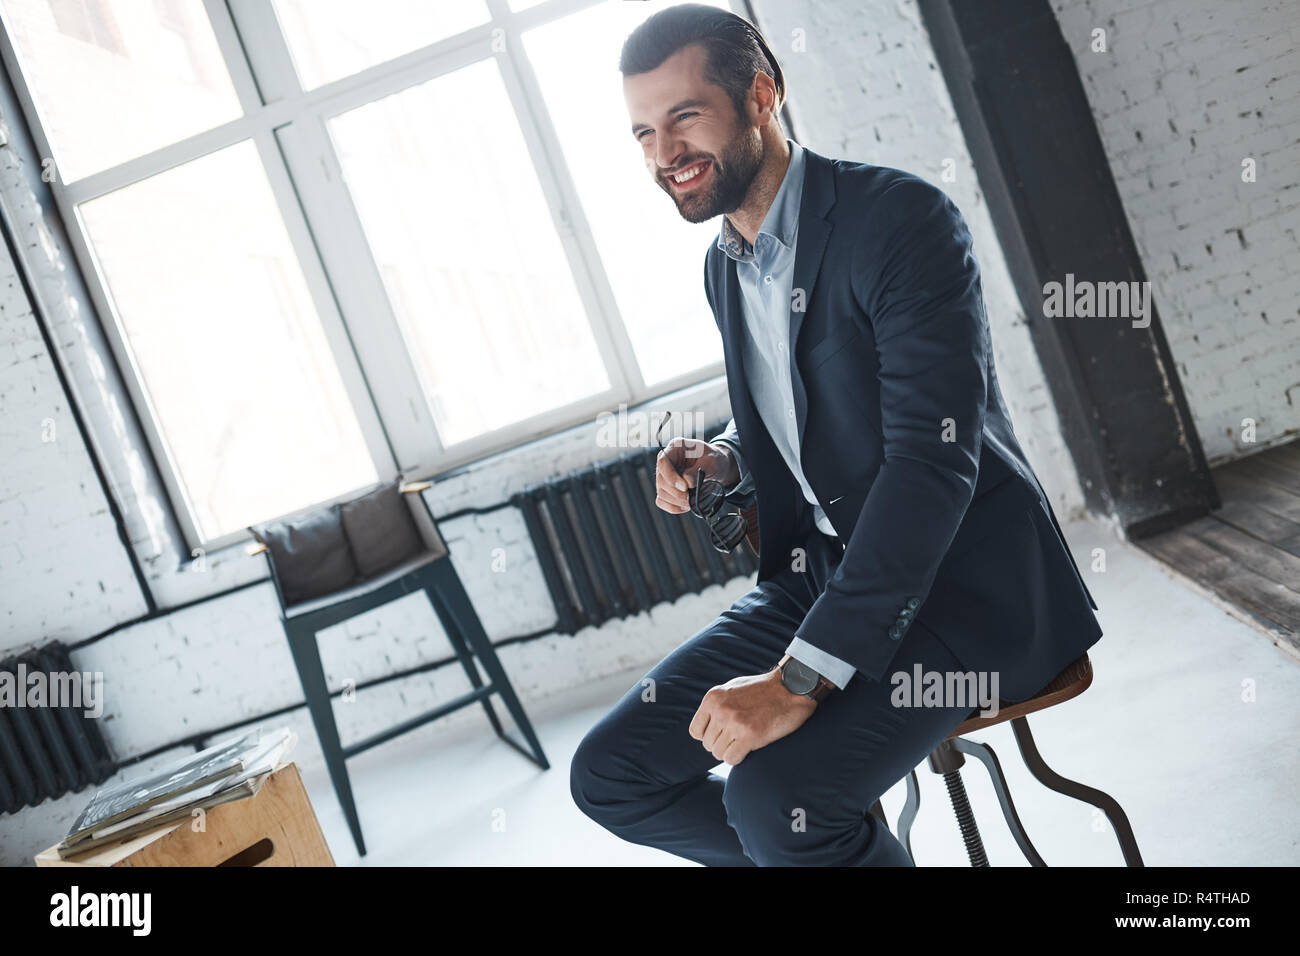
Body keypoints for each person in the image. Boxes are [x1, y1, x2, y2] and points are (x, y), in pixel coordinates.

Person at [570, 3, 1102, 866]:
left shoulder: (899, 221)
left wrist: (798, 680)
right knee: (611, 774)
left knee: (778, 799)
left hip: (965, 587)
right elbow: (803, 403)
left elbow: (931, 467)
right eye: (641, 133)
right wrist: (731, 455)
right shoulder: (725, 262)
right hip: (821, 577)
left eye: (685, 117)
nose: (664, 154)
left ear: (763, 95)